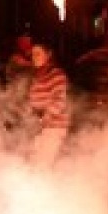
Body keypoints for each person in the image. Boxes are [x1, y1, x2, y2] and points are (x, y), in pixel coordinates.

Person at [26, 37, 72, 167]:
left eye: (38, 54)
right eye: (33, 54)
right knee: (34, 161)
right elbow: (33, 102)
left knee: (43, 163)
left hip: (54, 127)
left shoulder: (56, 75)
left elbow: (59, 102)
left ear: (48, 54)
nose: (34, 57)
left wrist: (43, 116)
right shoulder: (37, 76)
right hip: (40, 128)